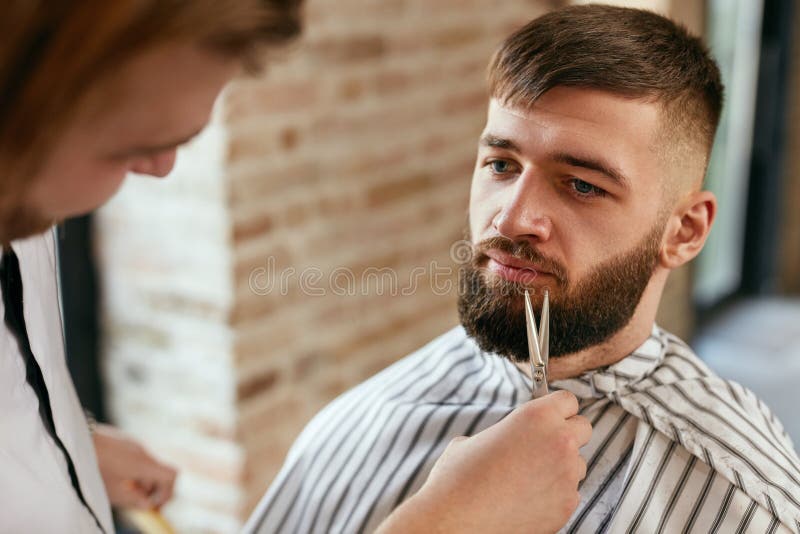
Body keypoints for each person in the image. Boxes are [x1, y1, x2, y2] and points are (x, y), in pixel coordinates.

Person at [1, 2, 590, 533]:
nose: (159, 169)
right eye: (125, 147)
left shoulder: (25, 191)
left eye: (584, 185)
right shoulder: (354, 429)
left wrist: (62, 444)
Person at [247, 5, 800, 534]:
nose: (511, 220)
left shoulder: (744, 499)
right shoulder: (363, 420)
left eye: (583, 185)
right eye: (501, 164)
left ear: (685, 231)